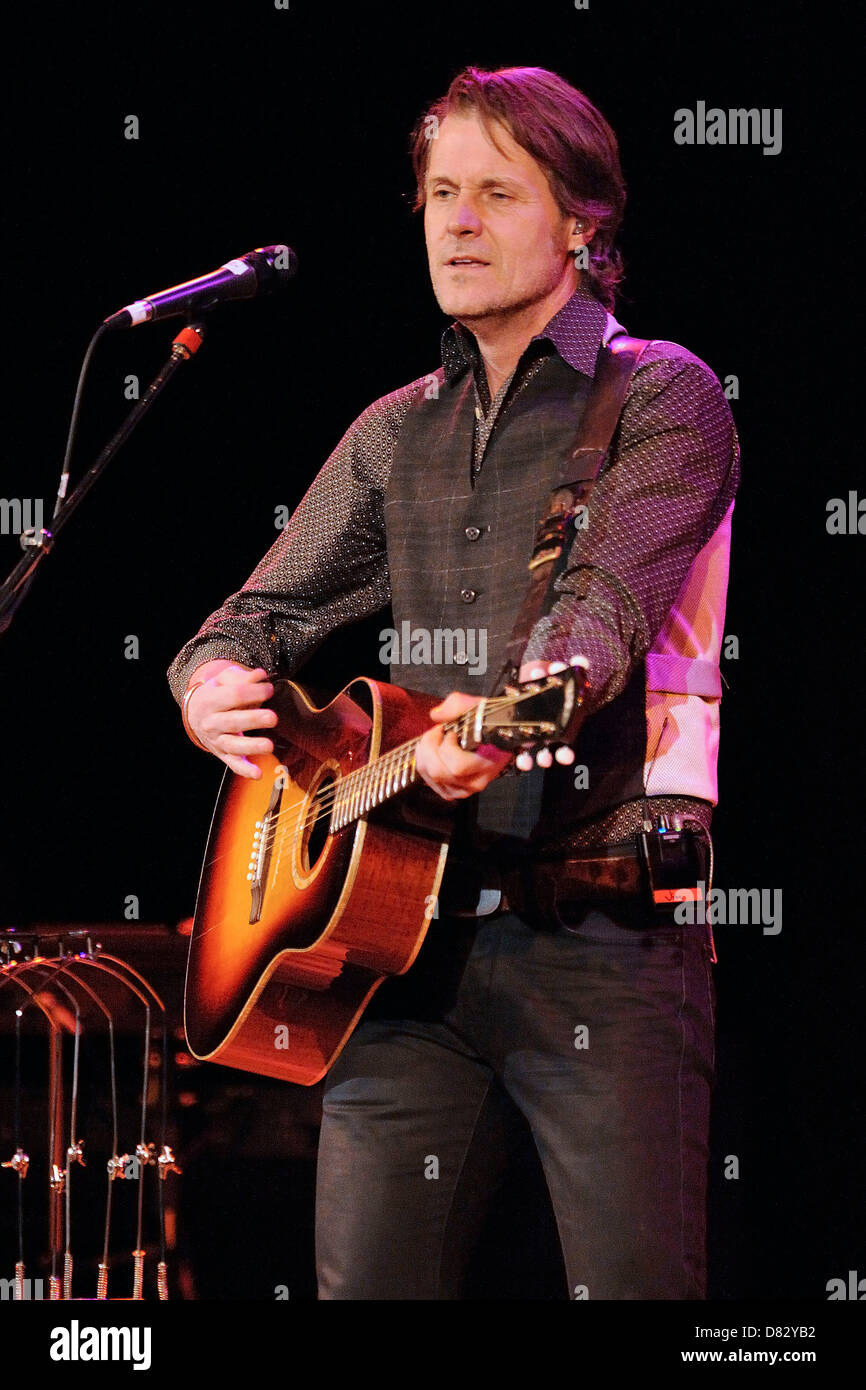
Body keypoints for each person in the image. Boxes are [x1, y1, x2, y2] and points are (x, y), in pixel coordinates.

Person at [167, 65, 739, 1300]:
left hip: (602, 939)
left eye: (493, 191)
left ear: (582, 225)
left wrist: (515, 706)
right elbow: (258, 615)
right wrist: (208, 676)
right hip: (395, 952)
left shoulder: (662, 396)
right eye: (438, 193)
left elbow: (603, 612)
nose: (456, 222)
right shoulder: (393, 429)